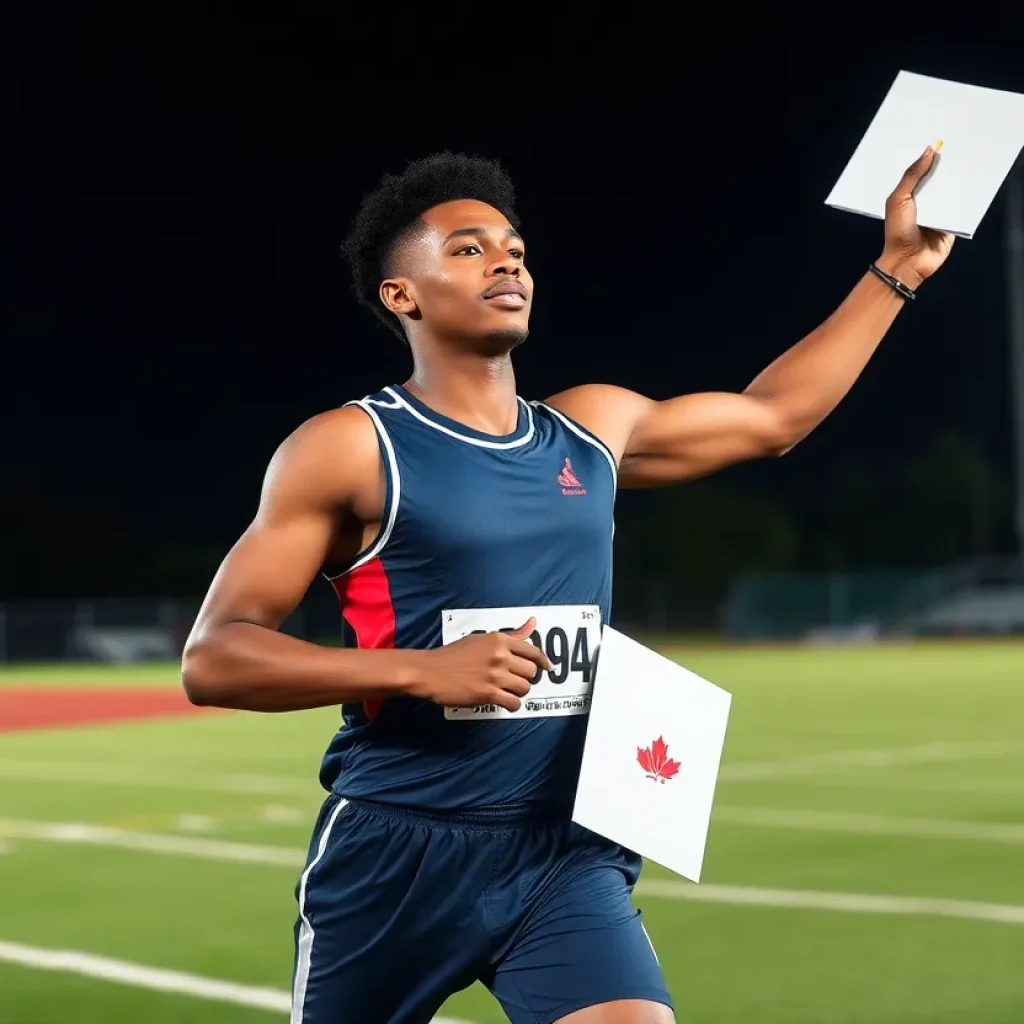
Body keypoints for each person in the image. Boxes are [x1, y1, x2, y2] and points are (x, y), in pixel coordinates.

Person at [181, 147, 954, 1024]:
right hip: (398, 851)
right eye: (468, 249)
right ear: (403, 296)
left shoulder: (592, 428)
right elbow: (214, 657)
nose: (506, 260)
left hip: (565, 847)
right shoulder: (350, 447)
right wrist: (416, 670)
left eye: (512, 246)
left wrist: (897, 269)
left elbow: (772, 418)